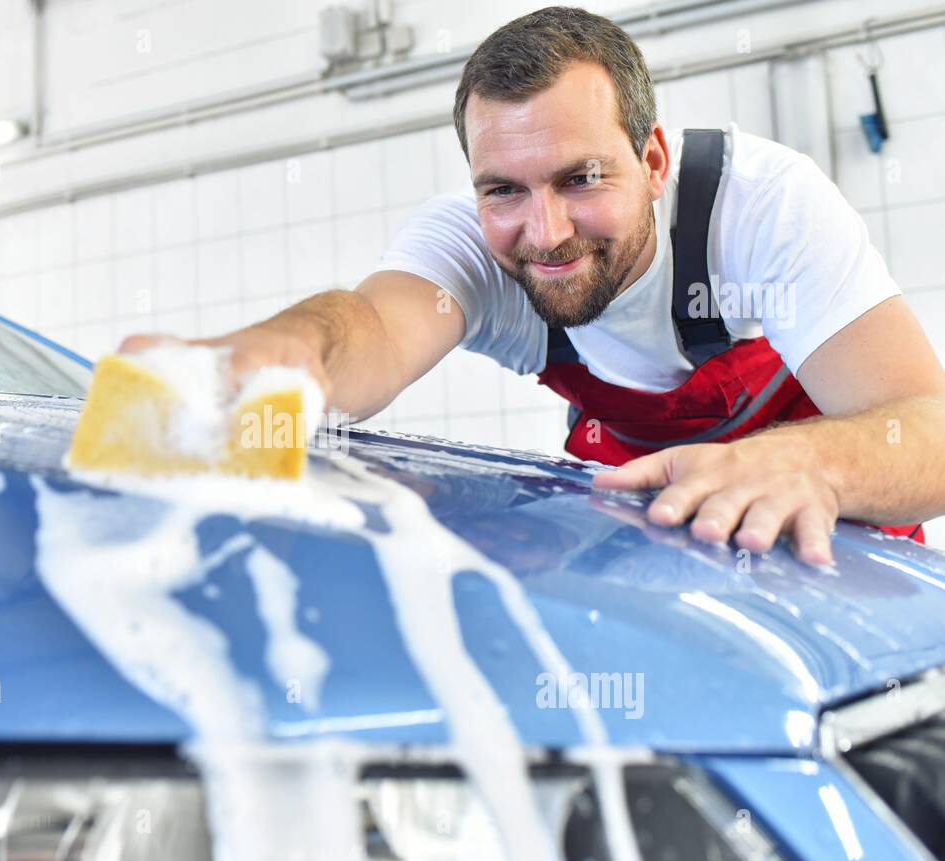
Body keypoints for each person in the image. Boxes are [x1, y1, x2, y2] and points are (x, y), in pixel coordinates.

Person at [121, 6, 945, 565]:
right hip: (655, 559)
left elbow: (927, 431)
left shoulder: (758, 207)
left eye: (581, 178)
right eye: (503, 190)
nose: (544, 232)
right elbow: (372, 328)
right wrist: (294, 352)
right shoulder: (476, 243)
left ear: (653, 161)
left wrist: (807, 460)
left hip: (836, 554)